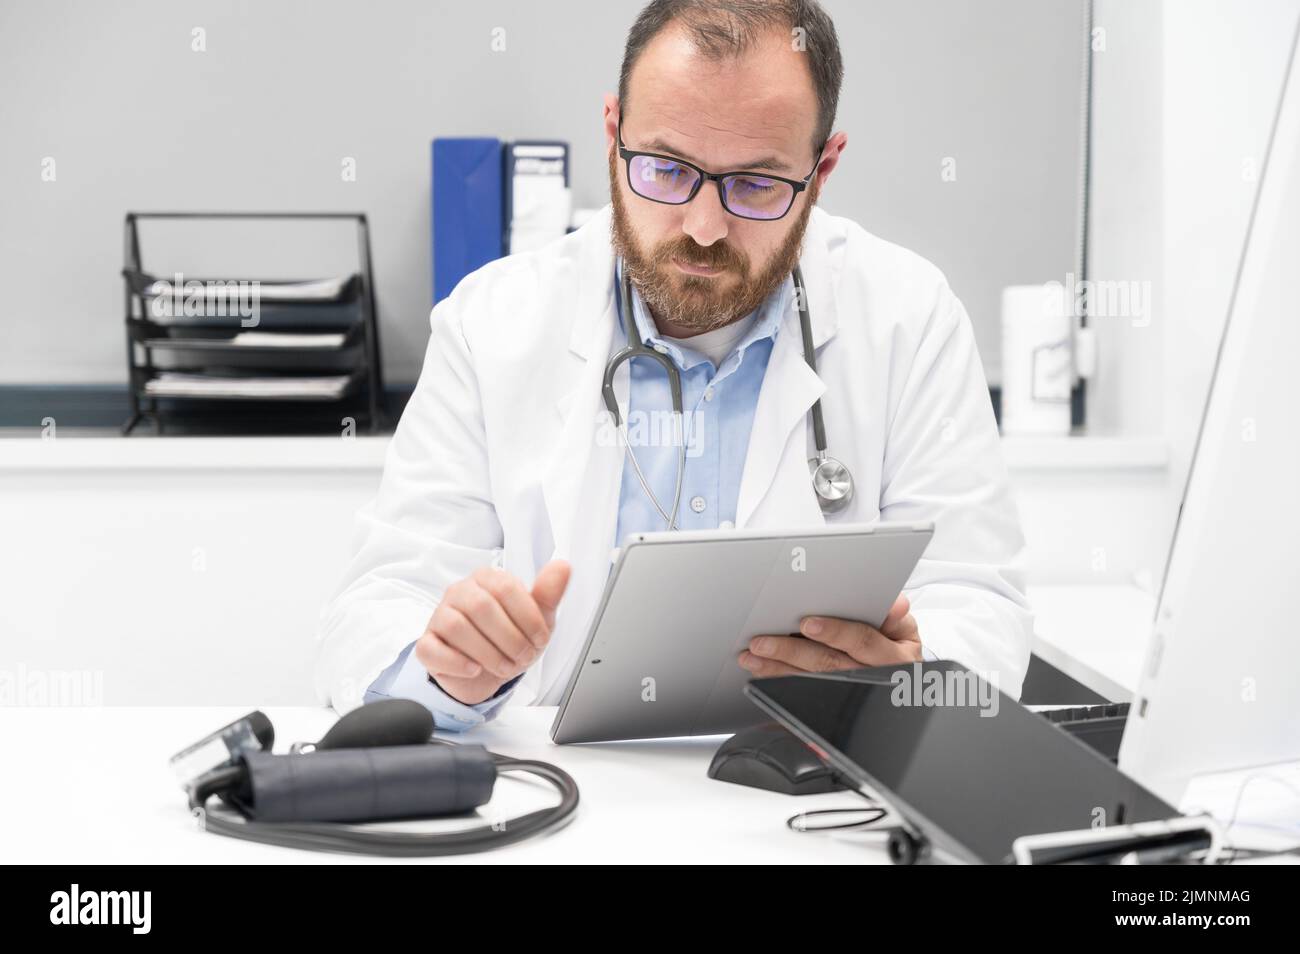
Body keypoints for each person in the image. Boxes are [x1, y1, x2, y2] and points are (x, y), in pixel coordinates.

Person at [314, 0, 1033, 730]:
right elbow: (375, 614)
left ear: (822, 172)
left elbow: (981, 608)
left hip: (806, 791)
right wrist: (452, 674)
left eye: (756, 185)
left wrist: (908, 682)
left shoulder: (909, 319)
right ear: (610, 134)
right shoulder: (492, 322)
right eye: (665, 169)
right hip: (563, 800)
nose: (703, 227)